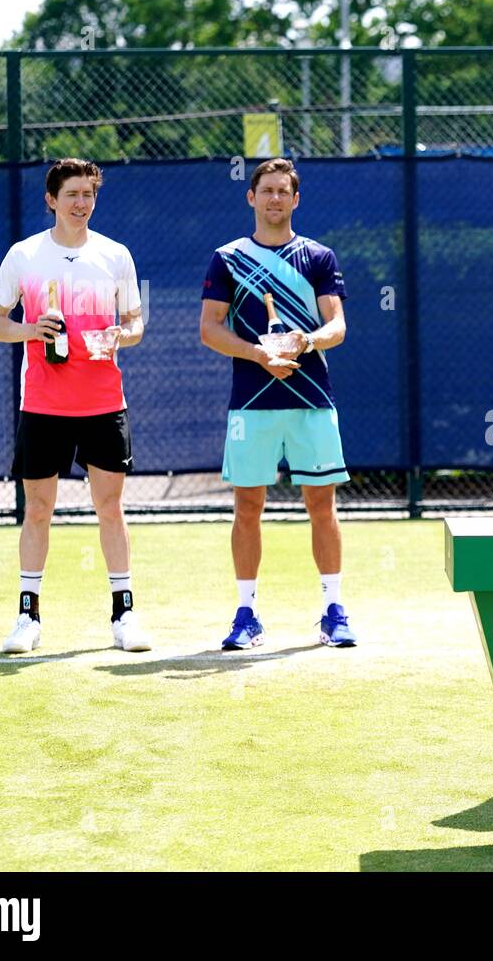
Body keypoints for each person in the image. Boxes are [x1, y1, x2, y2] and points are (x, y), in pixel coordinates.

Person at [0, 157, 150, 654]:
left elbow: (136, 325)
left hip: (103, 401)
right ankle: (27, 616)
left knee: (110, 508)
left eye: (88, 195)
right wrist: (29, 330)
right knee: (38, 509)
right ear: (51, 200)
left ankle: (124, 614)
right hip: (44, 404)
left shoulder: (116, 255)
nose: (81, 203)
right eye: (72, 194)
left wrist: (120, 334)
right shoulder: (24, 255)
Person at [198, 158, 357, 651]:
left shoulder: (318, 256)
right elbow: (210, 329)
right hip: (251, 403)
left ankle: (334, 610)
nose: (274, 199)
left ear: (295, 199)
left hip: (311, 400)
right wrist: (258, 353)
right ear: (251, 197)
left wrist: (304, 343)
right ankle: (246, 614)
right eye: (265, 190)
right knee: (247, 507)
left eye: (283, 191)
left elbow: (337, 327)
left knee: (321, 505)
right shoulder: (227, 258)